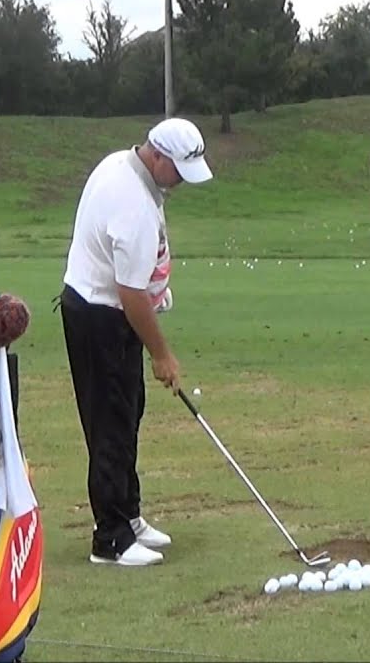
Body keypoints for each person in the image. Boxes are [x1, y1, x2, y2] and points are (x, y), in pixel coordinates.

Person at [59, 117, 214, 567]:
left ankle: (128, 515)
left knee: (128, 413)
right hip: (100, 317)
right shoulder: (133, 203)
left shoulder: (125, 168)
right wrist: (161, 354)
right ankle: (110, 538)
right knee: (110, 425)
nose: (182, 183)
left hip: (107, 311)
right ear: (159, 156)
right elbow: (131, 295)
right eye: (180, 171)